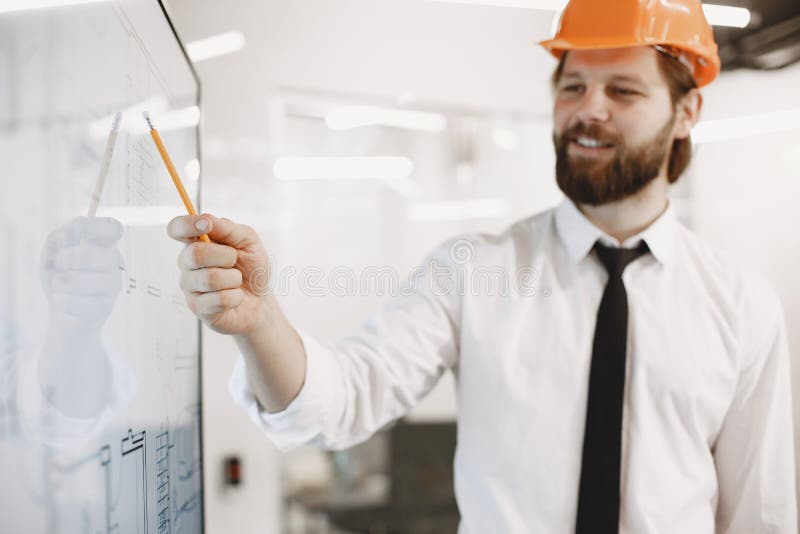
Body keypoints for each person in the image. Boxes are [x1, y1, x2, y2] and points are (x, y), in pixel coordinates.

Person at [167, 0, 797, 532]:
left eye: (623, 90)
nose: (589, 109)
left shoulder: (741, 305)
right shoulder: (472, 271)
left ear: (686, 113)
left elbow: (760, 514)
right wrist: (259, 322)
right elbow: (342, 398)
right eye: (573, 86)